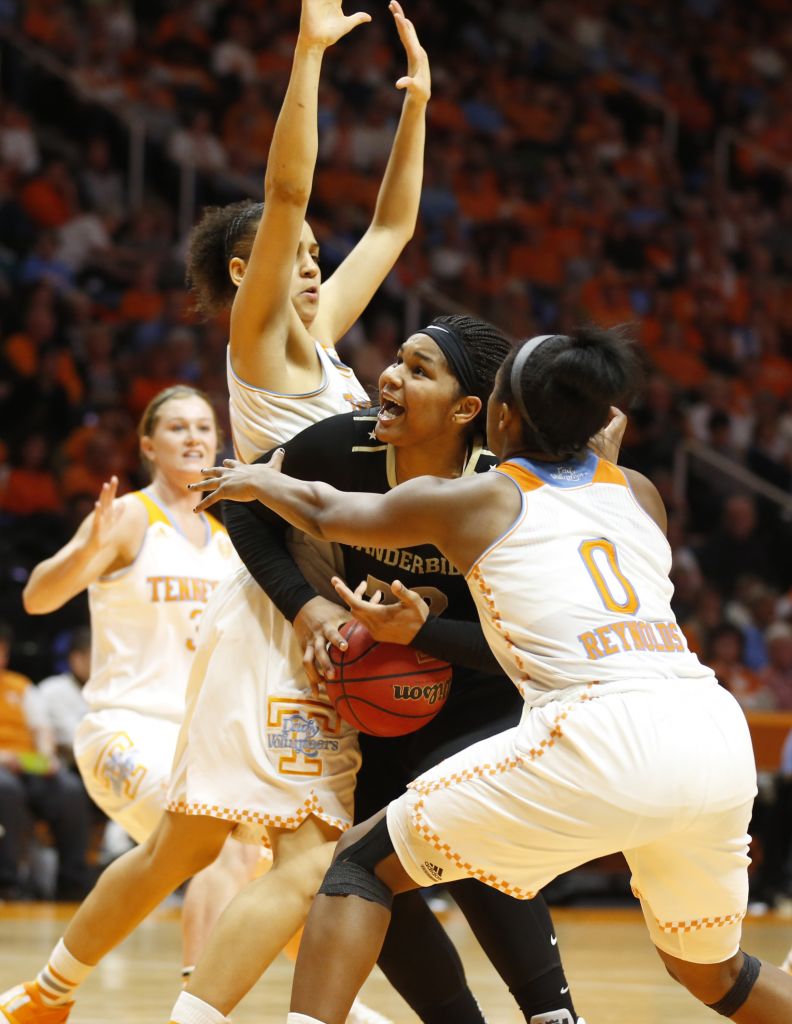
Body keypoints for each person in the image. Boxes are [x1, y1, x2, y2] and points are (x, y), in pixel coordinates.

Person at [0, 2, 428, 1022]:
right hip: (284, 612)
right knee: (309, 848)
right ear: (249, 272)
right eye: (298, 252)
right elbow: (288, 188)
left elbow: (396, 226)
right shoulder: (263, 346)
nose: (315, 262)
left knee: (186, 842)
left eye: (318, 255)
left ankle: (47, 993)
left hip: (294, 608)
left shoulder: (319, 341)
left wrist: (417, 104)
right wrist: (310, 56)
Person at [192, 327, 792, 1024]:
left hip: (597, 728)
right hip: (712, 735)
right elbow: (597, 443)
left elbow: (327, 510)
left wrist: (256, 477)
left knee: (354, 864)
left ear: (497, 415)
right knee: (713, 971)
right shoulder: (639, 492)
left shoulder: (478, 499)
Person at [167, 315, 587, 1024]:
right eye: (397, 360)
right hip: (379, 707)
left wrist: (429, 632)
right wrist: (307, 609)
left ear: (466, 411)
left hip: (485, 693)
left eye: (420, 370)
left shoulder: (503, 485)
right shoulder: (344, 444)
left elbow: (532, 643)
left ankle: (553, 1013)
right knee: (355, 867)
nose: (389, 377)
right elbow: (242, 505)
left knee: (465, 828)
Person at [0, 622, 94, 901]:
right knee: (6, 791)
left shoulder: (21, 686)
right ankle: (8, 882)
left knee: (70, 790)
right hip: (3, 769)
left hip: (27, 765)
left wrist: (45, 756)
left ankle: (72, 882)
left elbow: (42, 729)